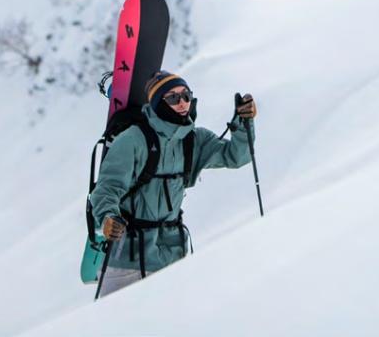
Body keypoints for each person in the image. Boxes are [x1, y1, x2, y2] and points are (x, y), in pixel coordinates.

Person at [89, 70, 257, 297]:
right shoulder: (132, 140)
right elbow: (106, 190)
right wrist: (108, 218)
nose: (182, 103)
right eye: (173, 98)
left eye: (186, 96)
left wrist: (243, 124)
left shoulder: (194, 140)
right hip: (128, 259)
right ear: (158, 103)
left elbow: (237, 156)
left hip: (172, 257)